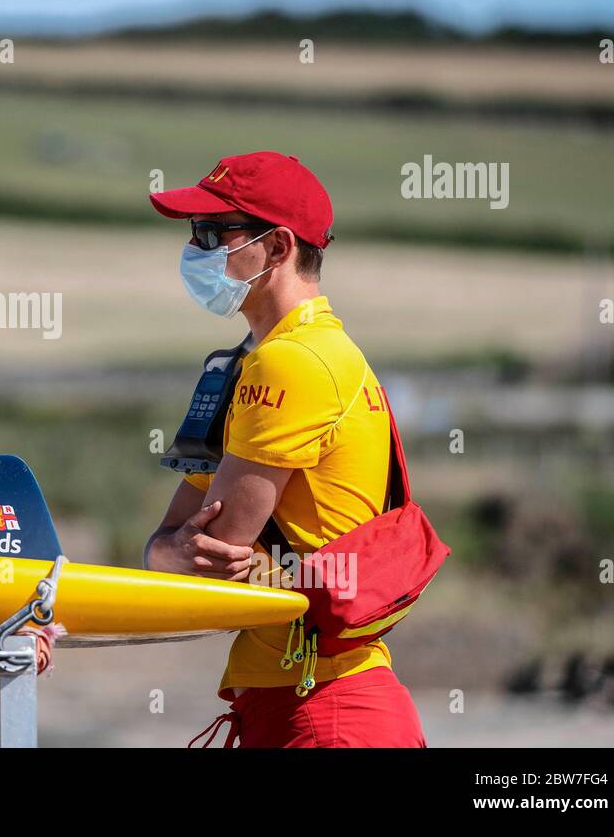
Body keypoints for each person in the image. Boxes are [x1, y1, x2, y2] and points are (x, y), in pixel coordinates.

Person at [143, 151, 427, 747]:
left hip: (323, 709)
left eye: (214, 232)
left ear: (277, 248)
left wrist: (173, 550)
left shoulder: (290, 362)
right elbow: (172, 550)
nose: (196, 248)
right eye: (196, 232)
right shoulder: (290, 354)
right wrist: (172, 551)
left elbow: (205, 556)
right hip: (299, 698)